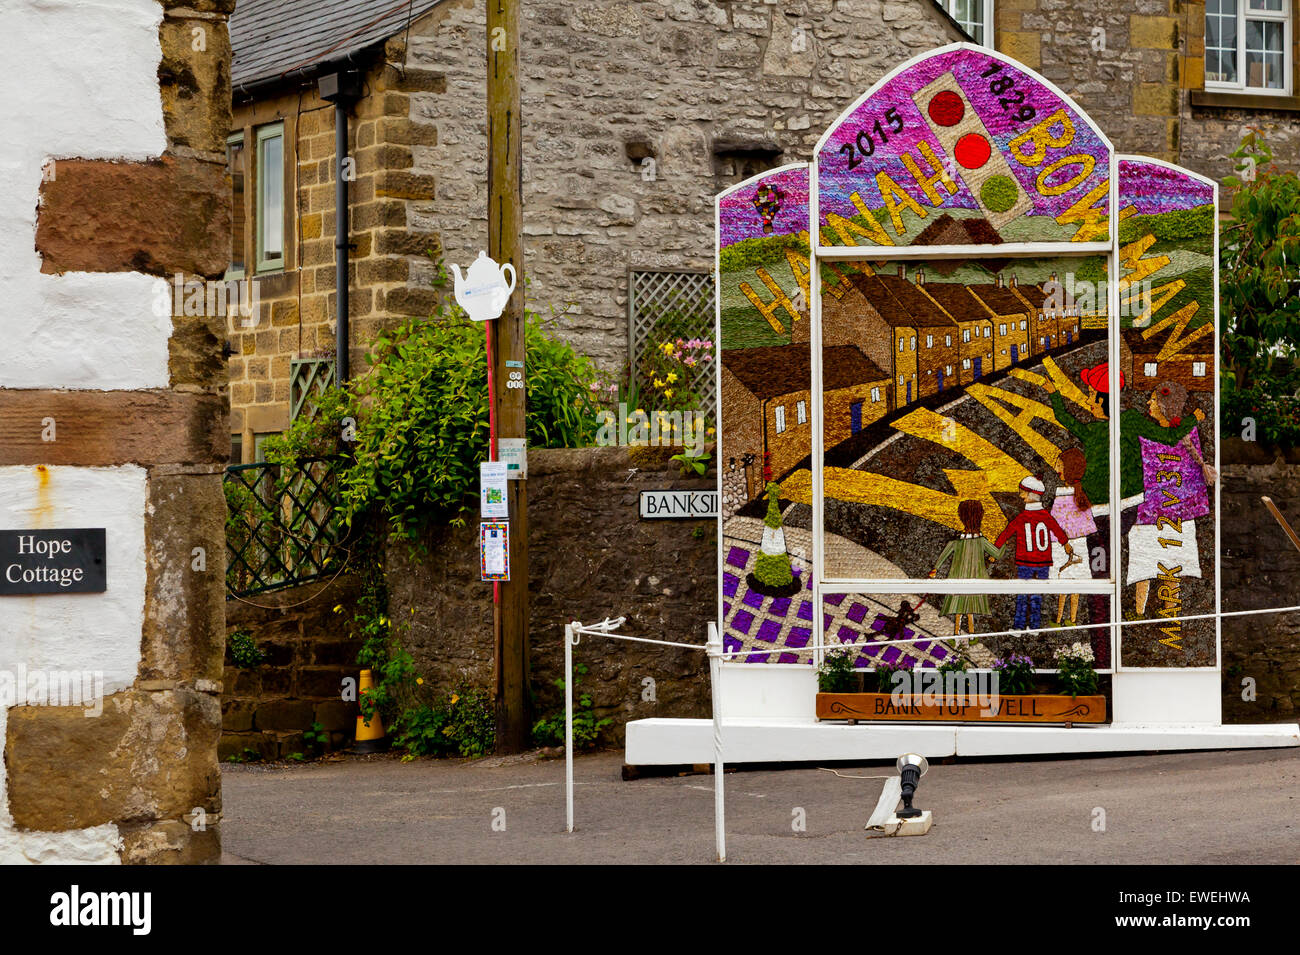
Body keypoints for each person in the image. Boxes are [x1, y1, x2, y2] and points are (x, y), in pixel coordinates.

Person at [995, 475, 1074, 631]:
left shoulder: (1022, 517)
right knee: (1037, 594)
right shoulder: (1045, 516)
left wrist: (995, 547)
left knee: (1022, 594)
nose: (1020, 496)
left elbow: (1007, 532)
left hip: (1025, 562)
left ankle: (1018, 627)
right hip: (1043, 562)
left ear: (1031, 495)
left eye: (1022, 493)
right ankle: (1035, 626)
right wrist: (1065, 543)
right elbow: (1057, 531)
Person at [929, 499, 1005, 637]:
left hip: (958, 578)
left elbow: (944, 555)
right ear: (980, 516)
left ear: (961, 516)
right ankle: (971, 634)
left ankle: (957, 633)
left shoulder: (956, 543)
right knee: (969, 605)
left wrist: (935, 569)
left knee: (960, 606)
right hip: (975, 579)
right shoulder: (981, 542)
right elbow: (998, 554)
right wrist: (1004, 540)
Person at [1049, 447, 1096, 626]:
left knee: (1065, 585)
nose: (1056, 469)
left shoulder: (1063, 497)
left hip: (1062, 545)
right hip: (1077, 544)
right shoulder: (1078, 495)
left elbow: (1054, 524)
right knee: (1074, 585)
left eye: (1059, 465)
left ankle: (1063, 618)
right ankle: (1070, 619)